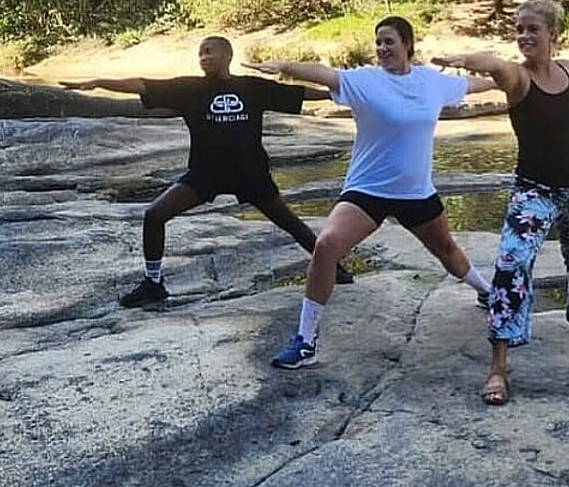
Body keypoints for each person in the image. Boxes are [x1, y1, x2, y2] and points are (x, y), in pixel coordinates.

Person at [244, 15, 497, 369]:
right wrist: (285, 66)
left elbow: (473, 84)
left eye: (389, 42)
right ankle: (305, 339)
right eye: (378, 42)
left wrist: (507, 75)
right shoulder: (365, 81)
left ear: (408, 44)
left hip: (415, 192)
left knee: (446, 250)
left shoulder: (431, 82)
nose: (382, 49)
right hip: (367, 190)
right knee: (326, 245)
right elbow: (325, 74)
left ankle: (487, 293)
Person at [59, 35, 352, 309]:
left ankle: (331, 268)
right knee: (154, 215)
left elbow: (299, 93)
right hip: (205, 174)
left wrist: (342, 94)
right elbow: (142, 85)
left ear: (227, 55)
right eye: (200, 53)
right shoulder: (190, 89)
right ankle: (153, 283)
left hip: (250, 174)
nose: (203, 57)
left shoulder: (252, 87)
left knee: (291, 224)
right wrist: (99, 81)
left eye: (209, 51)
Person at [432, 0, 569, 406]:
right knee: (512, 263)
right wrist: (463, 58)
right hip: (535, 190)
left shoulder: (567, 69)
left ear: (553, 34)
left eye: (533, 29)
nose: (524, 37)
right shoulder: (517, 78)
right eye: (519, 30)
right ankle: (498, 367)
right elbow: (494, 65)